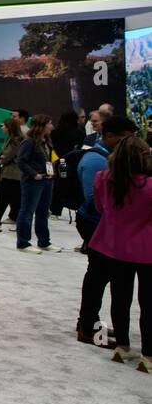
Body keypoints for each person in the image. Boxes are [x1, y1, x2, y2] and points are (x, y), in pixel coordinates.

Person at [89, 136, 152, 371]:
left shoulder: (103, 179)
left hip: (114, 248)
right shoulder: (149, 186)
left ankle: (122, 347)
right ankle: (148, 355)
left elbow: (99, 207)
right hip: (147, 251)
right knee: (148, 303)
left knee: (120, 298)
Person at [75, 115, 138, 345]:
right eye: (125, 138)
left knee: (101, 276)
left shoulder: (109, 158)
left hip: (105, 224)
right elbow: (93, 198)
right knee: (98, 277)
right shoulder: (96, 161)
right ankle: (88, 326)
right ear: (110, 136)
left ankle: (89, 323)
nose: (129, 143)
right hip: (96, 223)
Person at [15, 113, 58, 253]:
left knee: (43, 212)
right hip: (33, 182)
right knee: (27, 211)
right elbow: (21, 161)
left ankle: (44, 242)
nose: (52, 126)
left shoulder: (47, 140)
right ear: (42, 125)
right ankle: (23, 243)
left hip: (47, 180)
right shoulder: (29, 142)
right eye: (50, 123)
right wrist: (34, 174)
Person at [50, 110, 84, 215]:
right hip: (73, 163)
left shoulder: (55, 132)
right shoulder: (79, 132)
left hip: (59, 162)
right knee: (71, 184)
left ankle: (55, 209)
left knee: (58, 184)